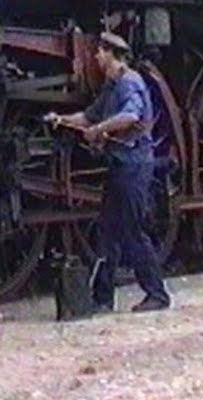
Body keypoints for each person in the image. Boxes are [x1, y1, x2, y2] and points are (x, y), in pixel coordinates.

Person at [45, 31, 172, 313]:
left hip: (134, 165)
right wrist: (62, 119)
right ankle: (103, 298)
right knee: (107, 231)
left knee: (132, 229)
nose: (95, 57)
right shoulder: (111, 86)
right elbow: (89, 116)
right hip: (120, 165)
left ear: (111, 54)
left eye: (99, 52)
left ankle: (157, 294)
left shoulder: (129, 83)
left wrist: (100, 130)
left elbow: (131, 116)